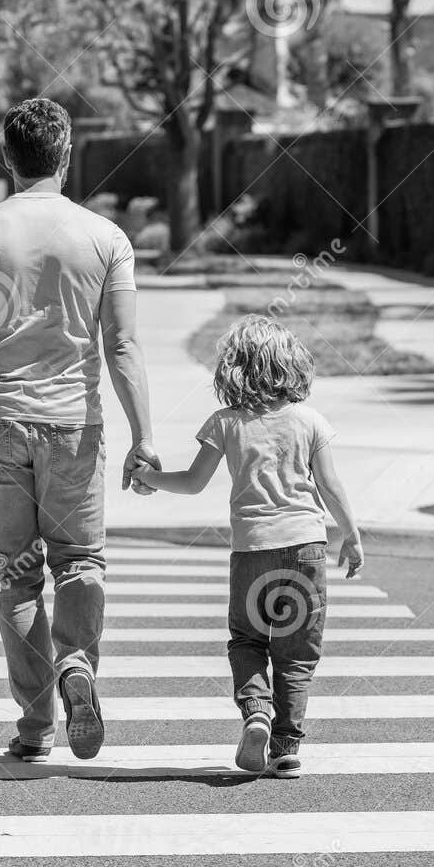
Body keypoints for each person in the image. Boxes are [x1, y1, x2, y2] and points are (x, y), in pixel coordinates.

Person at [0, 97, 158, 762]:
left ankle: (35, 726)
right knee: (80, 563)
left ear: (9, 159)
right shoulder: (108, 240)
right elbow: (124, 346)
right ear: (67, 155)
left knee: (18, 576)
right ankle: (78, 667)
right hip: (75, 422)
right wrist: (144, 435)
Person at [133, 314, 363, 778]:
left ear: (233, 370)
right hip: (306, 553)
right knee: (298, 651)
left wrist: (147, 478)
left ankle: (256, 710)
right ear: (292, 366)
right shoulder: (311, 421)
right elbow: (331, 485)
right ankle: (286, 746)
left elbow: (194, 483)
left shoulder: (225, 424)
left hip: (253, 553)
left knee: (248, 640)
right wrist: (352, 536)